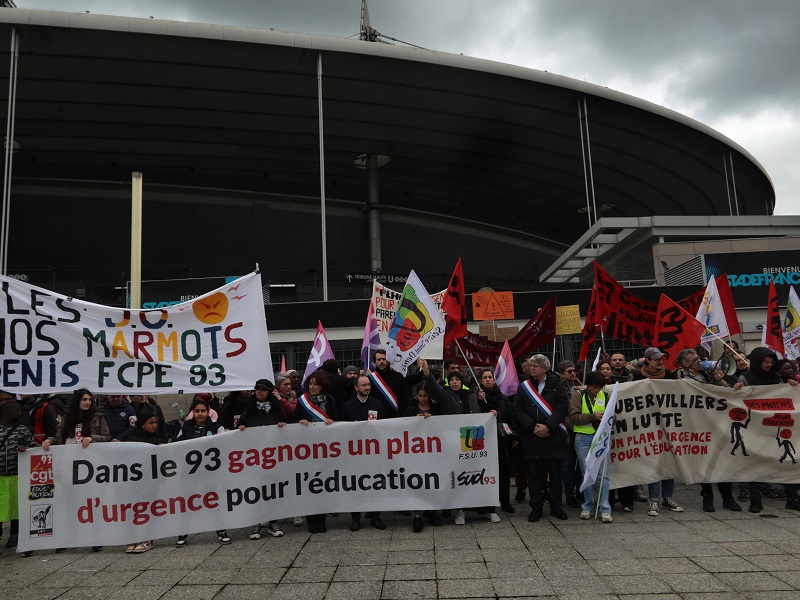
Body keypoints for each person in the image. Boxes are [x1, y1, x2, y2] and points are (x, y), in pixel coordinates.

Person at [675, 348, 742, 513]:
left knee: (722, 460)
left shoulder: (708, 374)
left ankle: (727, 498)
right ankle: (708, 497)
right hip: (695, 426)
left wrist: (720, 380)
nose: (699, 361)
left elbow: (725, 394)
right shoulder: (677, 376)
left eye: (699, 357)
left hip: (715, 424)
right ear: (686, 364)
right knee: (703, 463)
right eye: (695, 359)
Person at [42, 389, 110, 553]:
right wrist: (49, 440)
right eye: (84, 399)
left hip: (91, 468)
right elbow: (59, 438)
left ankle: (96, 537)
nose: (87, 402)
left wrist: (93, 438)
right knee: (71, 504)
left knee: (92, 503)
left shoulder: (97, 417)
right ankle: (72, 537)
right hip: (69, 468)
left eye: (89, 399)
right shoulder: (67, 419)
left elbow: (107, 437)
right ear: (77, 400)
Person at [738, 347, 800, 512]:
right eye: (765, 362)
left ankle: (792, 498)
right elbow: (738, 400)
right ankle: (756, 501)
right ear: (758, 362)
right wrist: (736, 390)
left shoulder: (776, 377)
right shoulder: (746, 378)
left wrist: (792, 387)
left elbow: (783, 397)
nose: (768, 365)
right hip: (755, 430)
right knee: (756, 464)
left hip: (776, 428)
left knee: (787, 461)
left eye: (771, 362)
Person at [512, 354, 570, 523]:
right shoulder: (524, 387)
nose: (531, 368)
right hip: (532, 437)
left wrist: (548, 426)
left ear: (544, 368)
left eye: (535, 366)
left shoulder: (557, 383)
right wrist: (532, 427)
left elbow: (562, 407)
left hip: (553, 436)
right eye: (530, 365)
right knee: (535, 476)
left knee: (555, 475)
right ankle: (536, 508)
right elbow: (518, 408)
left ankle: (556, 507)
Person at [630, 348, 682, 517]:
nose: (660, 362)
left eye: (662, 359)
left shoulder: (671, 376)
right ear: (647, 361)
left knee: (669, 461)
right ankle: (654, 500)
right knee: (654, 461)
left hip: (668, 424)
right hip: (649, 426)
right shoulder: (638, 378)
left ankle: (668, 497)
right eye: (656, 359)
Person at [174, 397, 230, 547]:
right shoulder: (186, 427)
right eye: (197, 411)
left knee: (212, 502)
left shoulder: (216, 427)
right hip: (190, 473)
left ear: (208, 412)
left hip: (210, 472)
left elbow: (223, 446)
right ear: (193, 412)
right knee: (188, 503)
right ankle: (182, 534)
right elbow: (176, 445)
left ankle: (221, 531)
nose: (200, 414)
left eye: (203, 411)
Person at [238, 378, 289, 539]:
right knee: (256, 490)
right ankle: (256, 523)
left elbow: (286, 428)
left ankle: (273, 522)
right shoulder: (249, 409)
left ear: (269, 392)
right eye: (257, 389)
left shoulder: (276, 410)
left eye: (263, 389)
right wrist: (241, 428)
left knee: (271, 491)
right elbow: (241, 426)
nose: (259, 392)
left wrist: (282, 426)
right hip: (255, 459)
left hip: (272, 459)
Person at [339, 375, 389, 532]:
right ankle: (355, 518)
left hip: (374, 453)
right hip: (355, 453)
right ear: (356, 388)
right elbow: (340, 430)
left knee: (375, 484)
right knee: (356, 486)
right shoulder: (347, 406)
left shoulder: (378, 404)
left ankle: (375, 516)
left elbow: (386, 427)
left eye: (368, 385)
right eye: (364, 385)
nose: (367, 387)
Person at [294, 370, 337, 533]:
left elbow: (337, 420)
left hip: (325, 448)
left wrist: (331, 422)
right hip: (307, 449)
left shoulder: (330, 400)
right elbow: (293, 420)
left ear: (322, 385)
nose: (311, 387)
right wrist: (300, 422)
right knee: (310, 484)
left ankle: (322, 519)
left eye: (315, 384)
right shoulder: (303, 401)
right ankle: (312, 519)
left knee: (323, 484)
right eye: (310, 384)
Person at [123, 403, 169, 554]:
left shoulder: (160, 438)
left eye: (155, 422)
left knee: (149, 508)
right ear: (142, 424)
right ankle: (132, 536)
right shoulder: (132, 438)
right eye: (151, 423)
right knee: (134, 508)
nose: (154, 426)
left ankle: (147, 537)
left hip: (152, 480)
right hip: (135, 480)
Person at [570, 371, 613, 523]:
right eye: (595, 387)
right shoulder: (578, 395)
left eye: (600, 387)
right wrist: (592, 417)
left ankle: (605, 508)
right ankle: (587, 505)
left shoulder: (606, 396)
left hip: (601, 438)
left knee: (603, 475)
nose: (597, 390)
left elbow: (613, 416)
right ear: (588, 385)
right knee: (587, 473)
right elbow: (574, 417)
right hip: (583, 438)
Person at [0, 400, 37, 556]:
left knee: (19, 508)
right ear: (8, 412)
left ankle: (16, 537)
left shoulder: (22, 430)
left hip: (17, 476)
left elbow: (34, 448)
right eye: (17, 410)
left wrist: (26, 449)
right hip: (1, 477)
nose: (21, 413)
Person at [478, 367, 516, 515]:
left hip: (501, 439)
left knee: (504, 471)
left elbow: (510, 417)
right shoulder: (476, 396)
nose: (488, 380)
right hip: (484, 440)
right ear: (480, 381)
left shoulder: (502, 398)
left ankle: (505, 501)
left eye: (490, 377)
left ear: (494, 380)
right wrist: (480, 401)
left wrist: (513, 435)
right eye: (485, 377)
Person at [368, 349, 410, 416]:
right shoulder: (369, 379)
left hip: (396, 418)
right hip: (376, 420)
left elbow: (404, 400)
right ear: (375, 362)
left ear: (388, 361)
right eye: (378, 360)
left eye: (384, 359)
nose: (381, 362)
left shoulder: (399, 377)